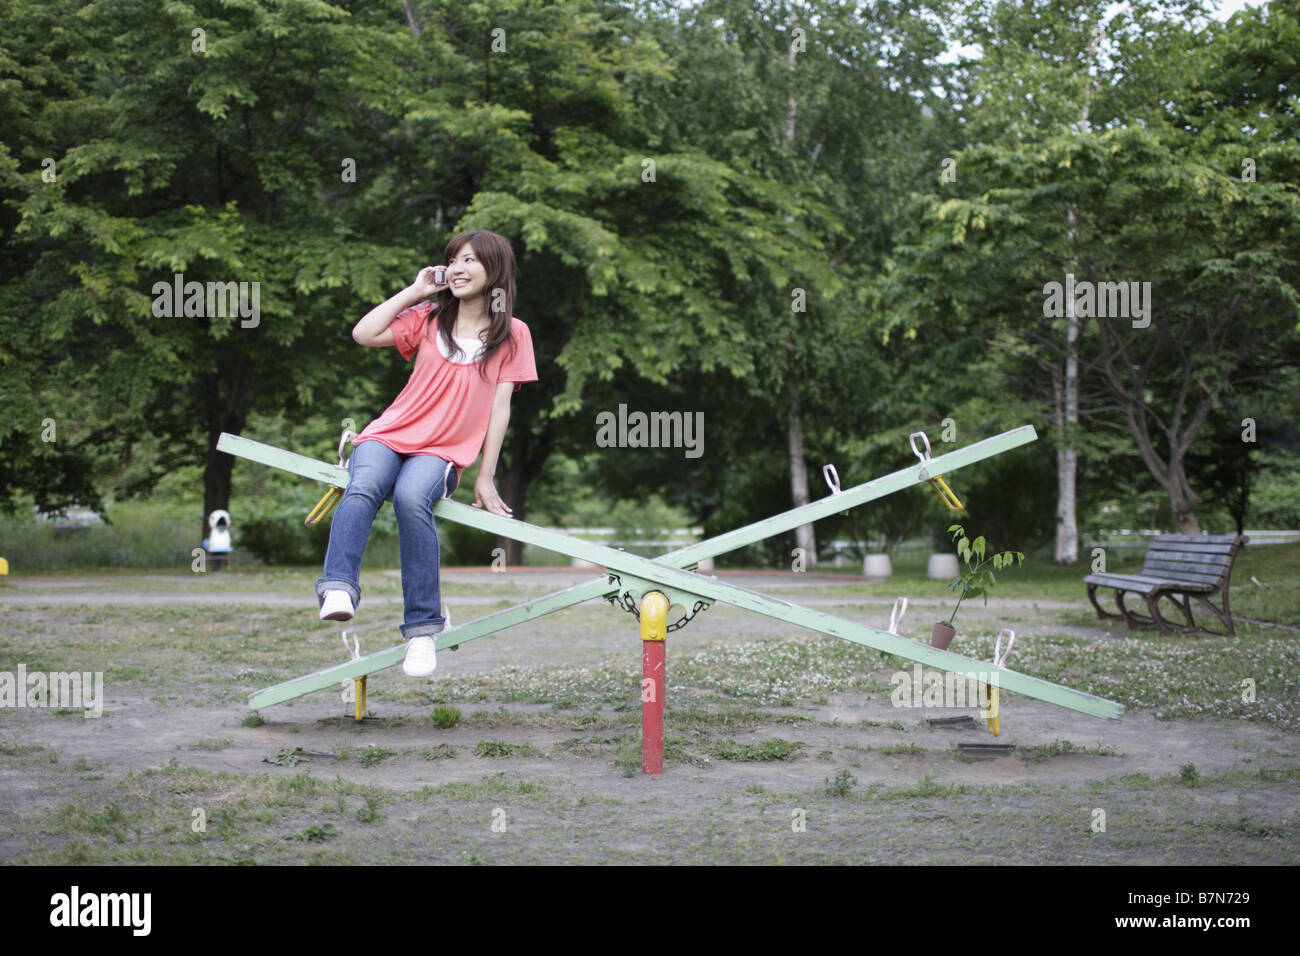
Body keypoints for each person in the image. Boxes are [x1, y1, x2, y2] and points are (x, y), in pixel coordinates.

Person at [314, 230, 537, 677]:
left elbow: (500, 408)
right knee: (364, 485)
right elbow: (364, 333)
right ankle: (338, 587)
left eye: (470, 260)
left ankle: (422, 630)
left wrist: (485, 477)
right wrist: (416, 290)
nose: (457, 267)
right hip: (389, 434)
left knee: (412, 498)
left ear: (495, 270)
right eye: (452, 259)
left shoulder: (513, 334)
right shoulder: (428, 318)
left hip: (443, 453)